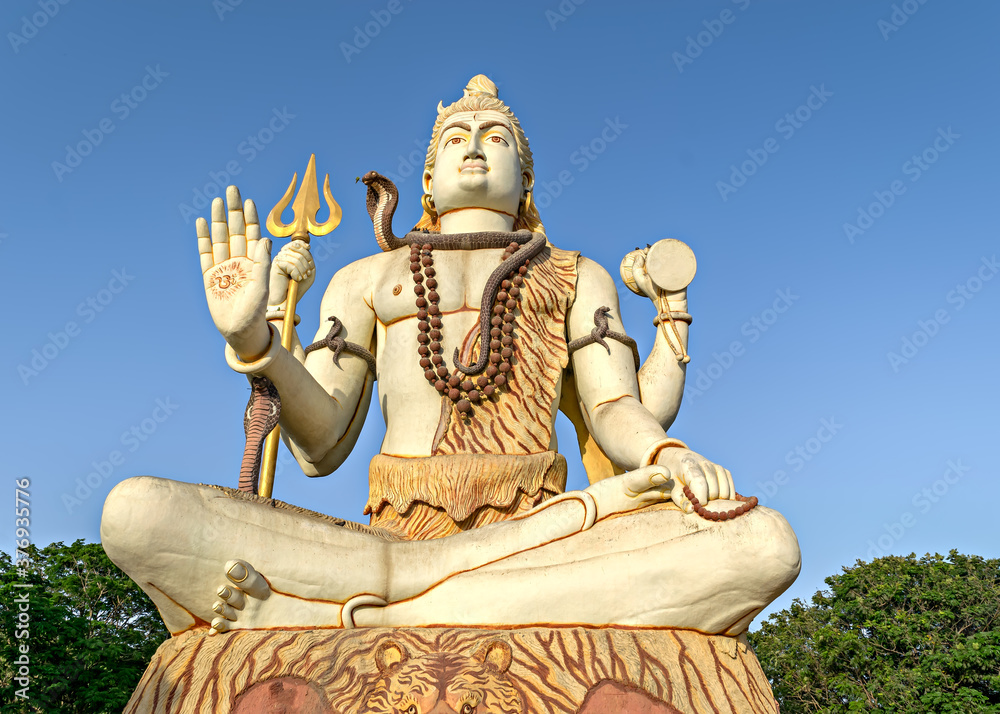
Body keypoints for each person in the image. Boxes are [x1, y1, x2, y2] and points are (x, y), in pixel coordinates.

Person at [101, 75, 799, 638]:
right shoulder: (366, 278)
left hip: (543, 535)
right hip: (391, 542)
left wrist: (666, 454)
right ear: (428, 181)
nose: (475, 148)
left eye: (496, 138)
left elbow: (613, 406)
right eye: (455, 138)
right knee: (136, 513)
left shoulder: (576, 274)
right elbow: (319, 446)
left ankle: (355, 614)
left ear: (526, 181)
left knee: (762, 545)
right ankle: (446, 594)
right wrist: (254, 341)